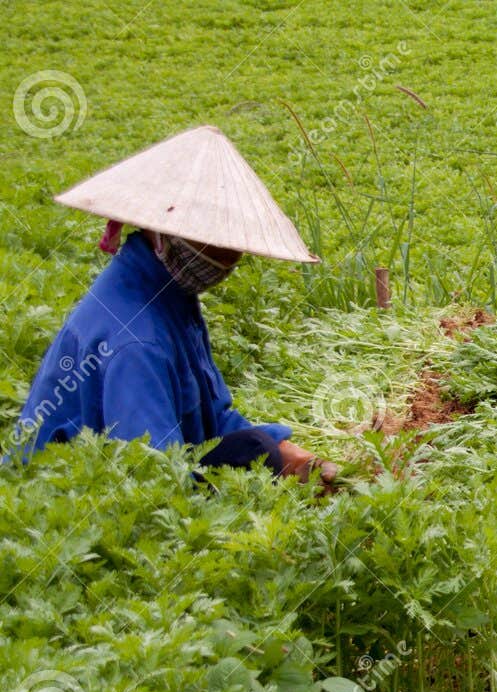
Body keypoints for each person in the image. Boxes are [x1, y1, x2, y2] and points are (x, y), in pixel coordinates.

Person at [16, 125, 334, 482]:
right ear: (161, 231)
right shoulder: (137, 343)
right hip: (72, 490)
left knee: (257, 448)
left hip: (155, 458)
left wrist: (285, 451)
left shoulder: (168, 292)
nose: (223, 261)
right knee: (253, 456)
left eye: (231, 247)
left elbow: (213, 417)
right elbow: (152, 475)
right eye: (210, 242)